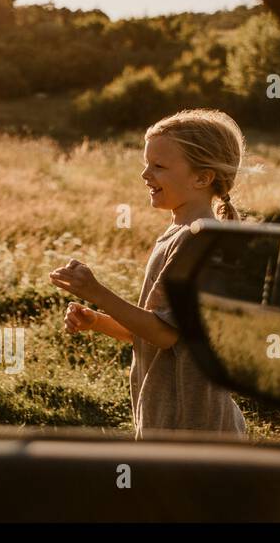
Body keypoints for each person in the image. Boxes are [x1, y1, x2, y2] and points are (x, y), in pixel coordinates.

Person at [53, 108, 249, 439]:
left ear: (202, 178)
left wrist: (96, 292)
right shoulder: (179, 233)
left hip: (192, 429)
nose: (145, 174)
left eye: (158, 166)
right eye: (146, 164)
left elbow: (165, 335)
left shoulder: (197, 240)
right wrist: (98, 321)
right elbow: (162, 333)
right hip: (167, 417)